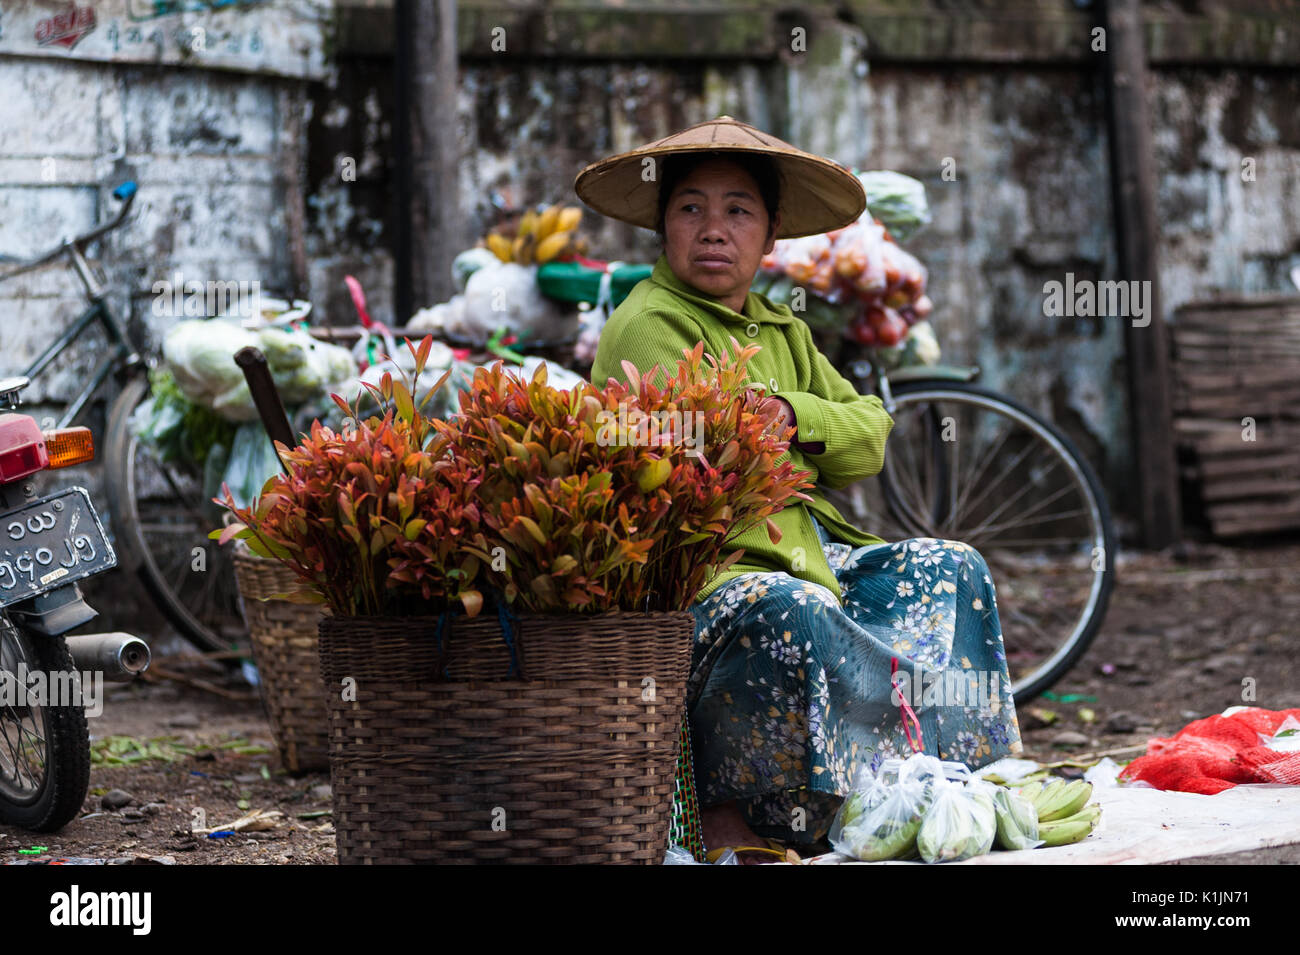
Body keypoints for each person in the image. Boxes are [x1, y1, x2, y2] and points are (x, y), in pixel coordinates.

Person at [575, 116, 1022, 862]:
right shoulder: (647, 324)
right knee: (790, 605)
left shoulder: (782, 330)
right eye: (690, 208)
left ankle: (944, 783)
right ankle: (744, 820)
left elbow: (870, 435)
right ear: (663, 225)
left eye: (737, 210)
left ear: (771, 232)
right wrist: (805, 435)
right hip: (711, 576)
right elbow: (717, 448)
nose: (713, 229)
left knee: (951, 565)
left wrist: (790, 417)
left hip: (813, 556)